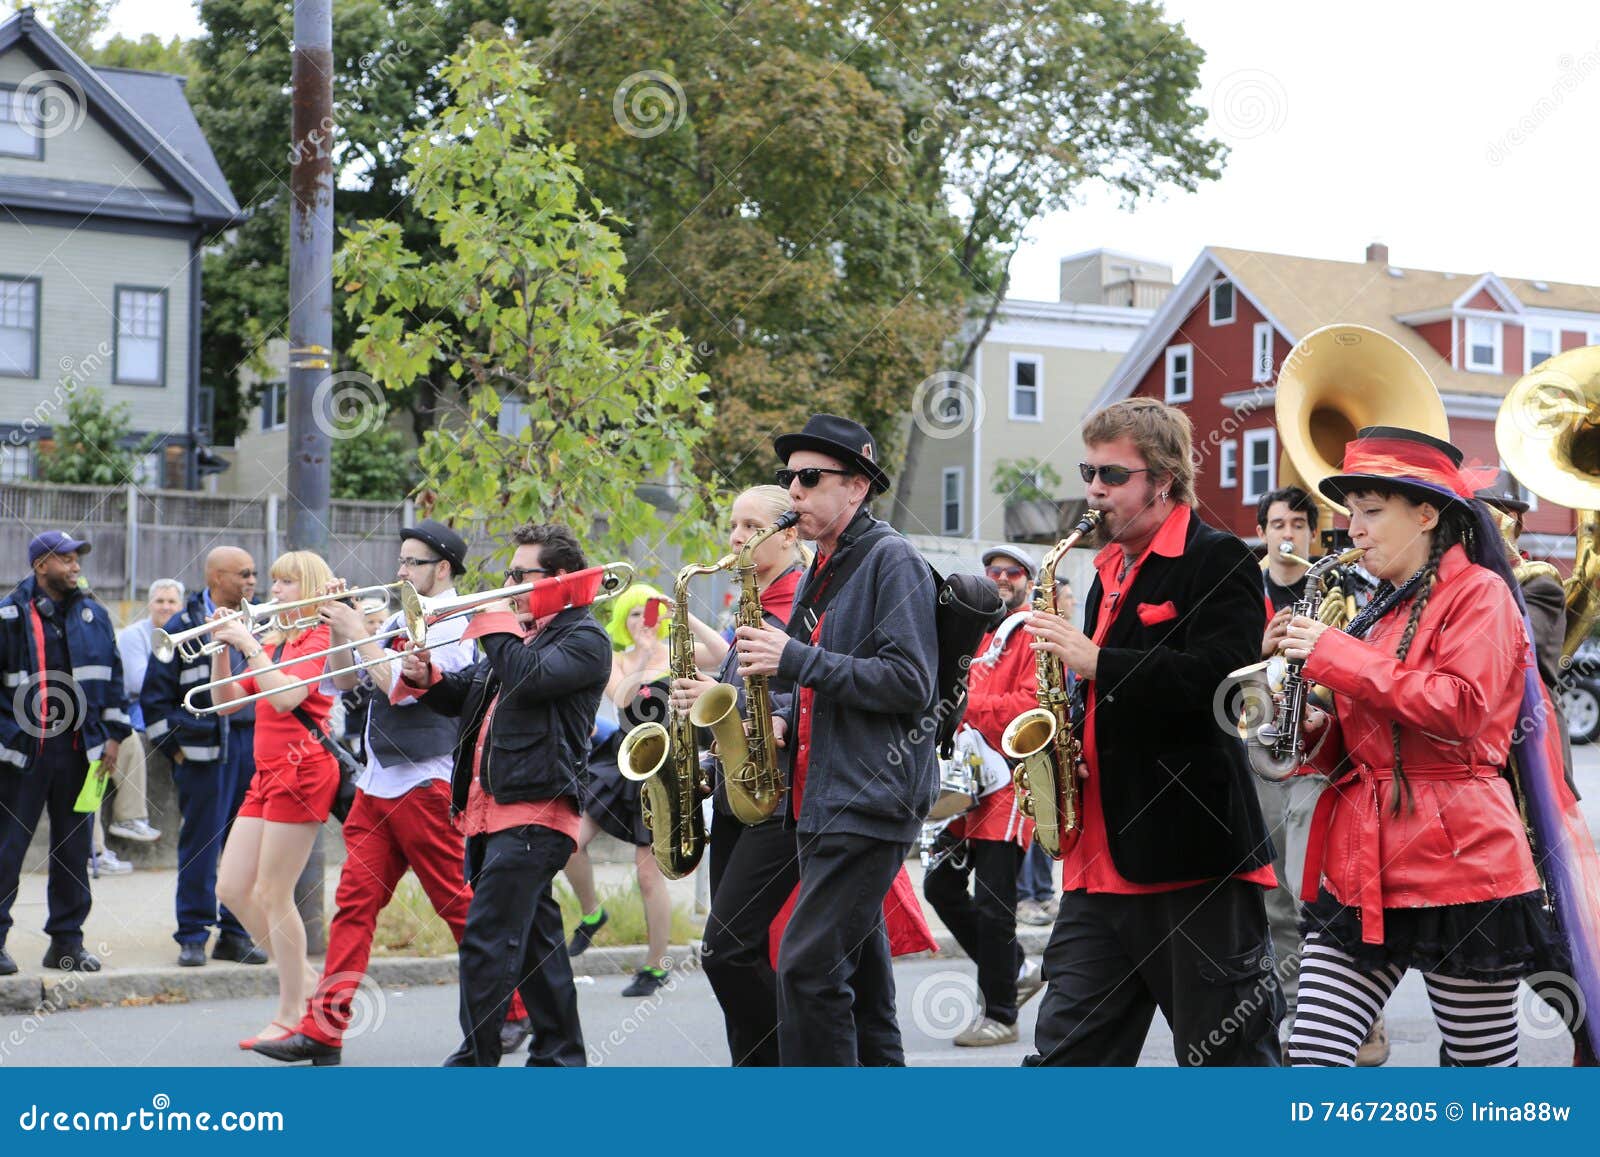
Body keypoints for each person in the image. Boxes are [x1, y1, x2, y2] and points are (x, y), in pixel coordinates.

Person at [1281, 427, 1563, 1068]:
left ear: (1428, 512)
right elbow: (1372, 733)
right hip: (1362, 859)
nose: (1354, 529)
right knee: (1311, 1059)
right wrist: (1311, 730)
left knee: (1480, 1073)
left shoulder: (1483, 594)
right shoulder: (1377, 608)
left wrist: (1333, 655)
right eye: (1352, 513)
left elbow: (1462, 708)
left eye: (1372, 512)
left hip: (1461, 861)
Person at [1022, 398, 1281, 1067]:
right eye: (1089, 472)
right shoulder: (1107, 570)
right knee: (1064, 1064)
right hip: (1096, 867)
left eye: (1112, 474)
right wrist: (1067, 745)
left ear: (1162, 480)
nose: (1094, 489)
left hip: (1193, 866)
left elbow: (1225, 684)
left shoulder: (1219, 559)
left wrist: (1097, 660)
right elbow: (1106, 694)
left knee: (1232, 1066)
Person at [251, 521, 523, 1065]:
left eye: (412, 563)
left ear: (442, 569)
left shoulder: (459, 622)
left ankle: (516, 1010)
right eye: (400, 561)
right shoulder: (401, 616)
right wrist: (338, 628)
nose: (400, 571)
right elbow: (347, 682)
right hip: (378, 783)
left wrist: (359, 629)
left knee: (458, 904)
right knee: (352, 909)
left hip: (425, 781)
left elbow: (403, 687)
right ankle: (323, 1031)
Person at [733, 413, 939, 1066]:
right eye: (789, 478)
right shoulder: (821, 566)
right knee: (865, 984)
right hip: (822, 799)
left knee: (805, 966)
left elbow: (911, 683)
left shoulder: (892, 560)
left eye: (810, 477)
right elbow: (810, 680)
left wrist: (792, 660)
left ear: (856, 487)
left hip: (870, 798)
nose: (793, 491)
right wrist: (775, 716)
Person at [400, 521, 611, 1067]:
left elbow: (527, 679)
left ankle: (475, 1062)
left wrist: (490, 620)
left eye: (520, 574)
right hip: (492, 811)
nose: (509, 583)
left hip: (535, 811)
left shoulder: (583, 637)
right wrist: (429, 680)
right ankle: (562, 1059)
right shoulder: (523, 636)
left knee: (486, 939)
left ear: (559, 579)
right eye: (508, 573)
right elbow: (468, 697)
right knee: (538, 948)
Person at [670, 484, 807, 1065]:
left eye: (752, 527)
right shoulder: (751, 603)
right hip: (737, 792)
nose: (735, 538)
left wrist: (716, 697)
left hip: (777, 800)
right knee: (740, 951)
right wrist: (703, 758)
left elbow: (801, 697)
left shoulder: (802, 603)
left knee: (727, 950)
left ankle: (783, 1062)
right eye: (733, 525)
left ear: (790, 534)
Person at [1251, 486, 1389, 1065]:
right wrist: (1263, 651)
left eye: (1297, 523)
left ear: (1312, 532)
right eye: (1276, 522)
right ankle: (1297, 1013)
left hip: (1323, 751)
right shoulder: (1242, 587)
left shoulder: (1347, 588)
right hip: (1261, 749)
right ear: (1262, 530)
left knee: (1321, 888)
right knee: (1277, 895)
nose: (1287, 532)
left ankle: (1362, 1015)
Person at [209, 551, 343, 1050]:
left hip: (304, 770)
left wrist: (247, 644)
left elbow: (287, 697)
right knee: (232, 887)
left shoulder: (320, 637)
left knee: (272, 892)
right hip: (266, 774)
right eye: (275, 581)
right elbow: (226, 702)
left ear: (308, 589)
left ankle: (292, 1011)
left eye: (287, 582)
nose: (275, 589)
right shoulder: (274, 640)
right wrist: (223, 647)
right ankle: (306, 983)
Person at [923, 543, 1044, 1047]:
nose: (998, 578)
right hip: (963, 781)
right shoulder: (978, 628)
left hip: (1009, 783)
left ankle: (1000, 1014)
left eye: (1009, 571)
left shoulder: (1035, 632)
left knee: (995, 905)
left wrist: (970, 706)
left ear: (1028, 581)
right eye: (990, 570)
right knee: (940, 888)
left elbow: (1029, 704)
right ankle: (1014, 969)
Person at [0, 531, 131, 975]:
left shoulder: (94, 613)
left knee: (75, 851)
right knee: (7, 849)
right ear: (41, 566)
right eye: (66, 559)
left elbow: (113, 679)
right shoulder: (9, 615)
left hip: (85, 755)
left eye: (78, 559)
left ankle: (66, 944)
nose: (75, 566)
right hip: (23, 756)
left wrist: (113, 736)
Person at [141, 547, 267, 968]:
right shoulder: (183, 626)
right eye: (243, 574)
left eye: (253, 574)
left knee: (245, 850)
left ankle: (234, 933)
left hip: (249, 751)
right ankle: (193, 935)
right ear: (215, 578)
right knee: (200, 847)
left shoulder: (260, 620)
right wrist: (176, 750)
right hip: (202, 756)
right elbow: (155, 702)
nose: (252, 580)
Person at [563, 581, 675, 996]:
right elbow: (625, 702)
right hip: (619, 758)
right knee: (569, 842)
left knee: (648, 875)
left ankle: (656, 966)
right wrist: (643, 655)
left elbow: (720, 652)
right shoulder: (617, 659)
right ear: (622, 620)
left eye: (649, 612)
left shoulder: (680, 653)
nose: (642, 620)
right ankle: (593, 914)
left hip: (665, 766)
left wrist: (686, 618)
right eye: (633, 613)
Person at [99, 578, 179, 860]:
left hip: (170, 706)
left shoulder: (184, 631)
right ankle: (127, 821)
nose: (165, 607)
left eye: (171, 602)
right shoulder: (135, 635)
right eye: (159, 601)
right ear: (149, 604)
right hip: (139, 709)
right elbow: (137, 682)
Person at [1016, 570, 1071, 927]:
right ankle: (1026, 896)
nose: (1070, 604)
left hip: (1054, 738)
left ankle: (1042, 893)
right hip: (1032, 737)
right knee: (1032, 828)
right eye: (1067, 598)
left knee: (1048, 828)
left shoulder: (1067, 636)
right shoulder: (1029, 633)